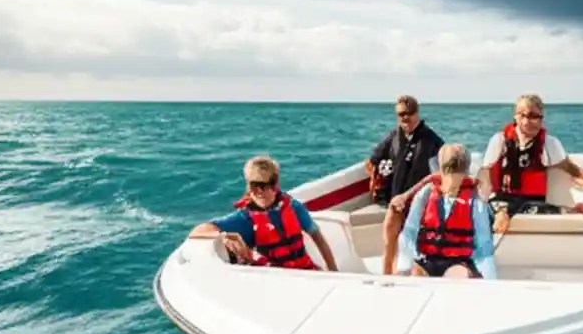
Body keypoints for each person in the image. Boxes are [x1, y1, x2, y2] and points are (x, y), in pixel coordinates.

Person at [478, 93, 583, 233]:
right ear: (515, 116)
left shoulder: (550, 144)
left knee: (545, 210)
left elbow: (571, 170)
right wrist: (493, 208)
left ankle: (568, 211)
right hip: (502, 199)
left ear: (541, 118)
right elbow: (485, 177)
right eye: (522, 115)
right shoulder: (500, 141)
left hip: (533, 201)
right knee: (495, 216)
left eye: (533, 116)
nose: (526, 122)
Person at [188, 155, 339, 271]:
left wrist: (333, 271)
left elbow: (318, 238)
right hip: (277, 279)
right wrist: (224, 236)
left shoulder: (293, 207)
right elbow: (198, 230)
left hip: (307, 272)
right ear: (249, 187)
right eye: (255, 186)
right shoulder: (245, 218)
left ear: (276, 185)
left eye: (267, 185)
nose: (261, 192)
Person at [362, 95, 444, 275]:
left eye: (409, 113)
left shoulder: (431, 140)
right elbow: (371, 161)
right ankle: (386, 274)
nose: (405, 118)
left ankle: (417, 273)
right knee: (389, 232)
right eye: (401, 114)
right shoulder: (393, 137)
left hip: (421, 200)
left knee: (416, 246)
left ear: (417, 113)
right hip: (397, 198)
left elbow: (439, 173)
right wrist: (375, 179)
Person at [395, 144, 497, 279]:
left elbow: (484, 246)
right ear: (440, 169)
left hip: (459, 261)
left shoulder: (475, 201)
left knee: (458, 276)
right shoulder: (425, 194)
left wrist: (491, 280)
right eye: (448, 169)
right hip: (428, 259)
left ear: (465, 172)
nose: (452, 177)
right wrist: (404, 267)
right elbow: (409, 233)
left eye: (458, 170)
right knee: (414, 274)